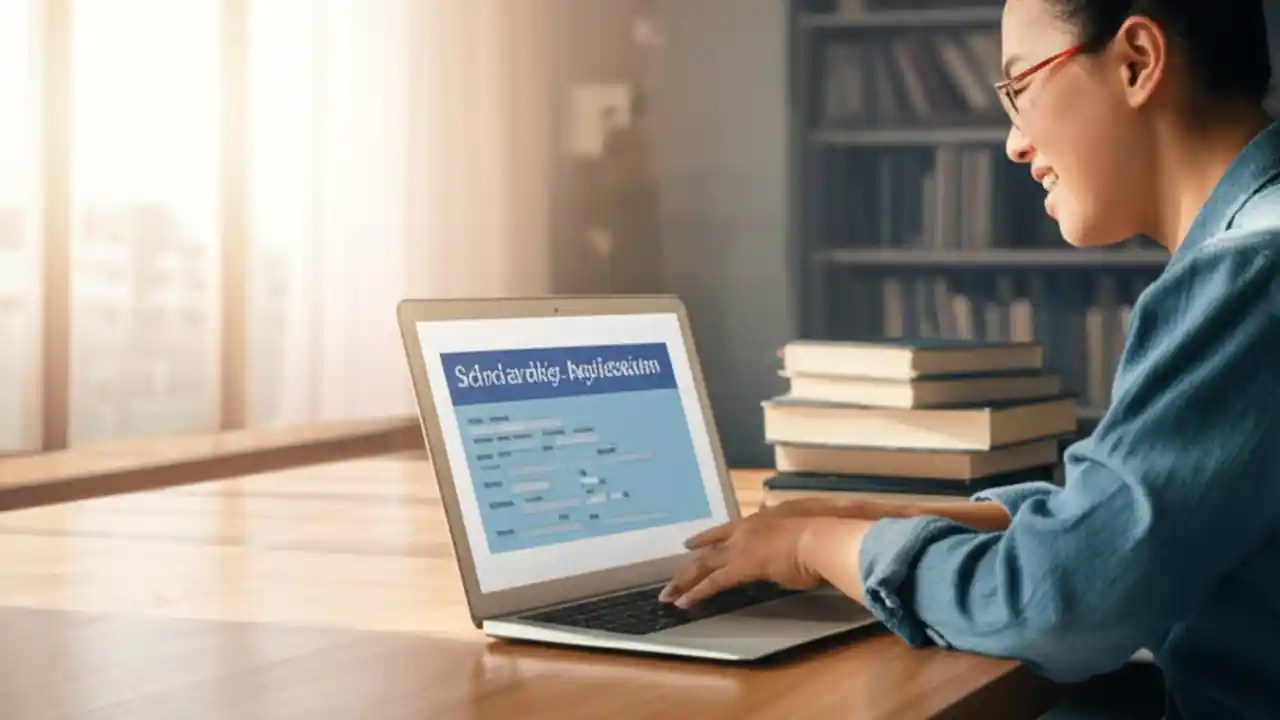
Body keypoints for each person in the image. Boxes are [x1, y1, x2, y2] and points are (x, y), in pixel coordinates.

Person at [661, 1, 1280, 717]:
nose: (1014, 143)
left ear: (1137, 60)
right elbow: (1122, 522)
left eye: (1020, 87)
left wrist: (814, 545)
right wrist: (874, 515)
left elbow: (1063, 602)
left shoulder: (1248, 277)